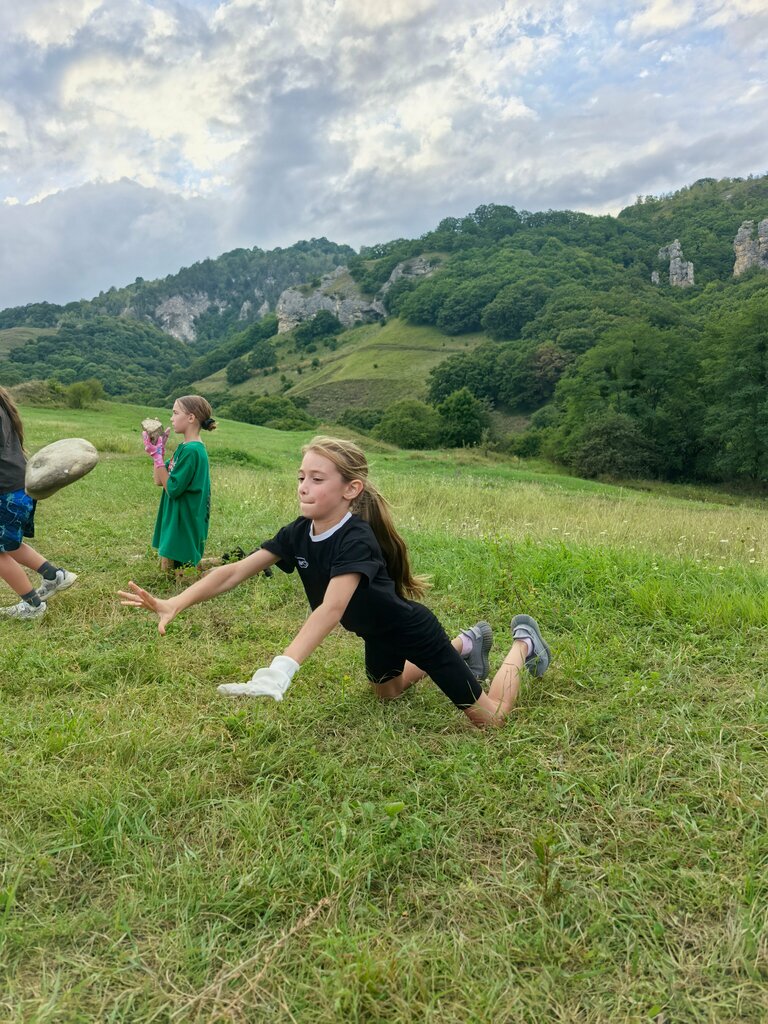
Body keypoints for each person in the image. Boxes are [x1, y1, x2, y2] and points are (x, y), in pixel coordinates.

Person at [120, 436, 551, 728]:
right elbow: (234, 571)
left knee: (489, 720)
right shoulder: (299, 532)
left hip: (410, 630)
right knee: (388, 692)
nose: (304, 487)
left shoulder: (356, 539)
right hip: (376, 634)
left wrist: (282, 668)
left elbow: (332, 609)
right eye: (301, 478)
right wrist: (175, 601)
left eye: (317, 479)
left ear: (351, 489)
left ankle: (522, 643)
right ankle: (466, 644)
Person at [0, 386, 78, 621]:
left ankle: (34, 606)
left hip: (7, 492)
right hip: (17, 489)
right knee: (10, 545)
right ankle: (55, 576)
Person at [144, 395, 215, 575]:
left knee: (184, 579)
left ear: (191, 418)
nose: (171, 418)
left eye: (175, 413)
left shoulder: (193, 451)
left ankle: (234, 564)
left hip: (185, 520)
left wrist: (159, 458)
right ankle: (227, 561)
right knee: (167, 572)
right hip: (177, 518)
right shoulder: (184, 447)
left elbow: (174, 489)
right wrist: (157, 454)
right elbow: (159, 480)